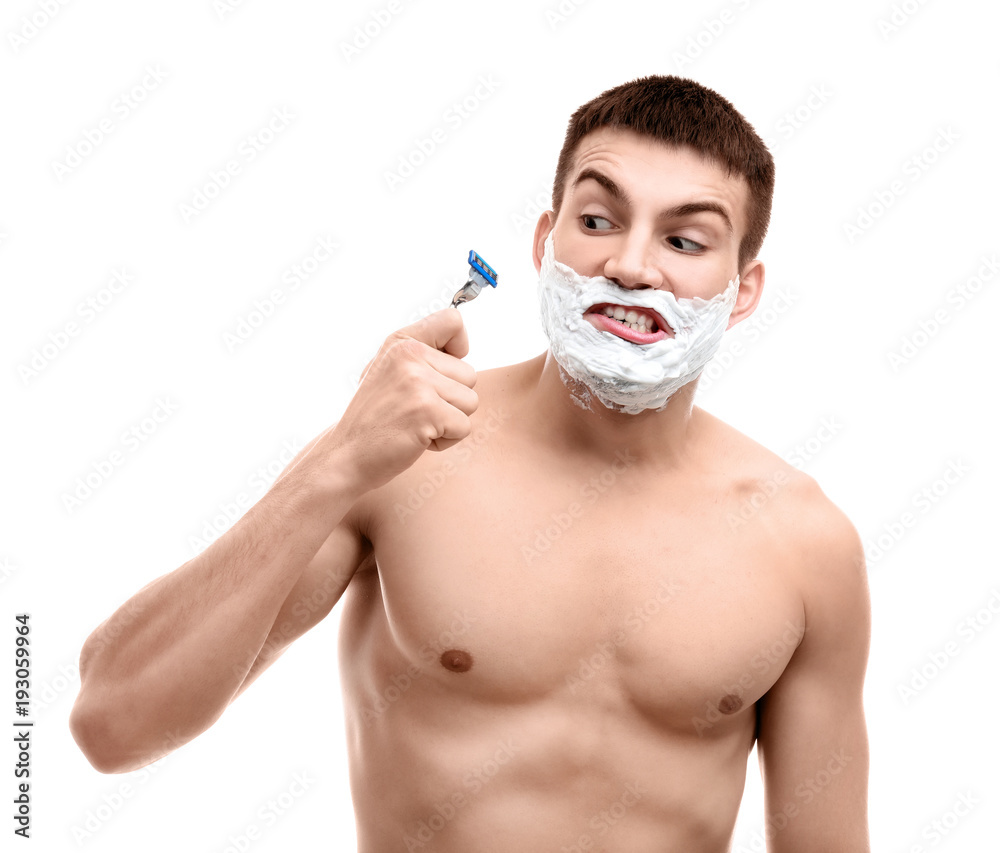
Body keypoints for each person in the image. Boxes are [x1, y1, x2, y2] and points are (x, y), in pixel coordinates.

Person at [70, 75, 871, 852]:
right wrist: (338, 459)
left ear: (741, 291)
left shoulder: (803, 544)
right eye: (598, 221)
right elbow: (112, 724)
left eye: (684, 240)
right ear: (545, 244)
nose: (631, 265)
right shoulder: (407, 455)